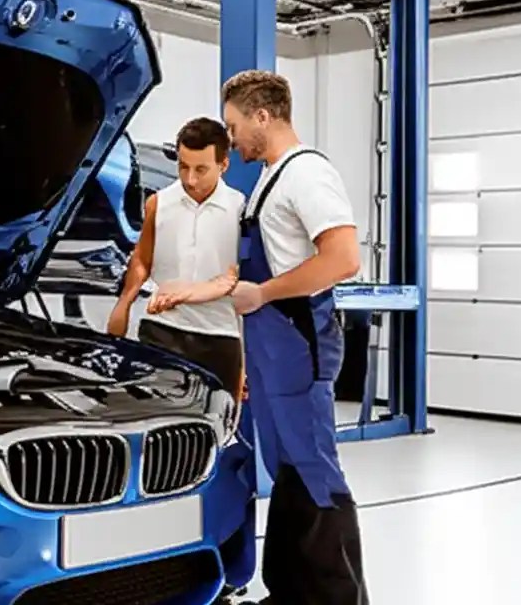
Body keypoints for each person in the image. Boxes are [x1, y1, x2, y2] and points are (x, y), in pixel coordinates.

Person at [221, 70, 369, 605]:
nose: (231, 138)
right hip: (270, 347)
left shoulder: (307, 174)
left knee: (313, 468)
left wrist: (262, 294)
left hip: (297, 342)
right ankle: (289, 593)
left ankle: (339, 598)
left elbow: (342, 259)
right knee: (284, 469)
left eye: (234, 125)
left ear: (263, 116)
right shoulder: (269, 176)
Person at [106, 117, 245, 399]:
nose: (190, 179)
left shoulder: (241, 210)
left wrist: (248, 361)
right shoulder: (158, 203)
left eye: (201, 170)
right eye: (183, 167)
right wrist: (124, 304)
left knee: (219, 428)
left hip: (221, 335)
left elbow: (244, 278)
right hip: (163, 329)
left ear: (224, 165)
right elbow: (142, 259)